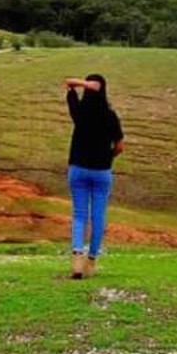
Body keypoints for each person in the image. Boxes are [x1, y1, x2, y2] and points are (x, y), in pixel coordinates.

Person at [64, 73, 124, 279]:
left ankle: (76, 262)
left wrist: (84, 84)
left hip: (78, 169)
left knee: (79, 214)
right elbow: (120, 147)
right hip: (102, 171)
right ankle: (91, 261)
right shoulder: (111, 116)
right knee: (98, 216)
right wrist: (108, 157)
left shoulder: (79, 112)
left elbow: (69, 84)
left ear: (87, 89)